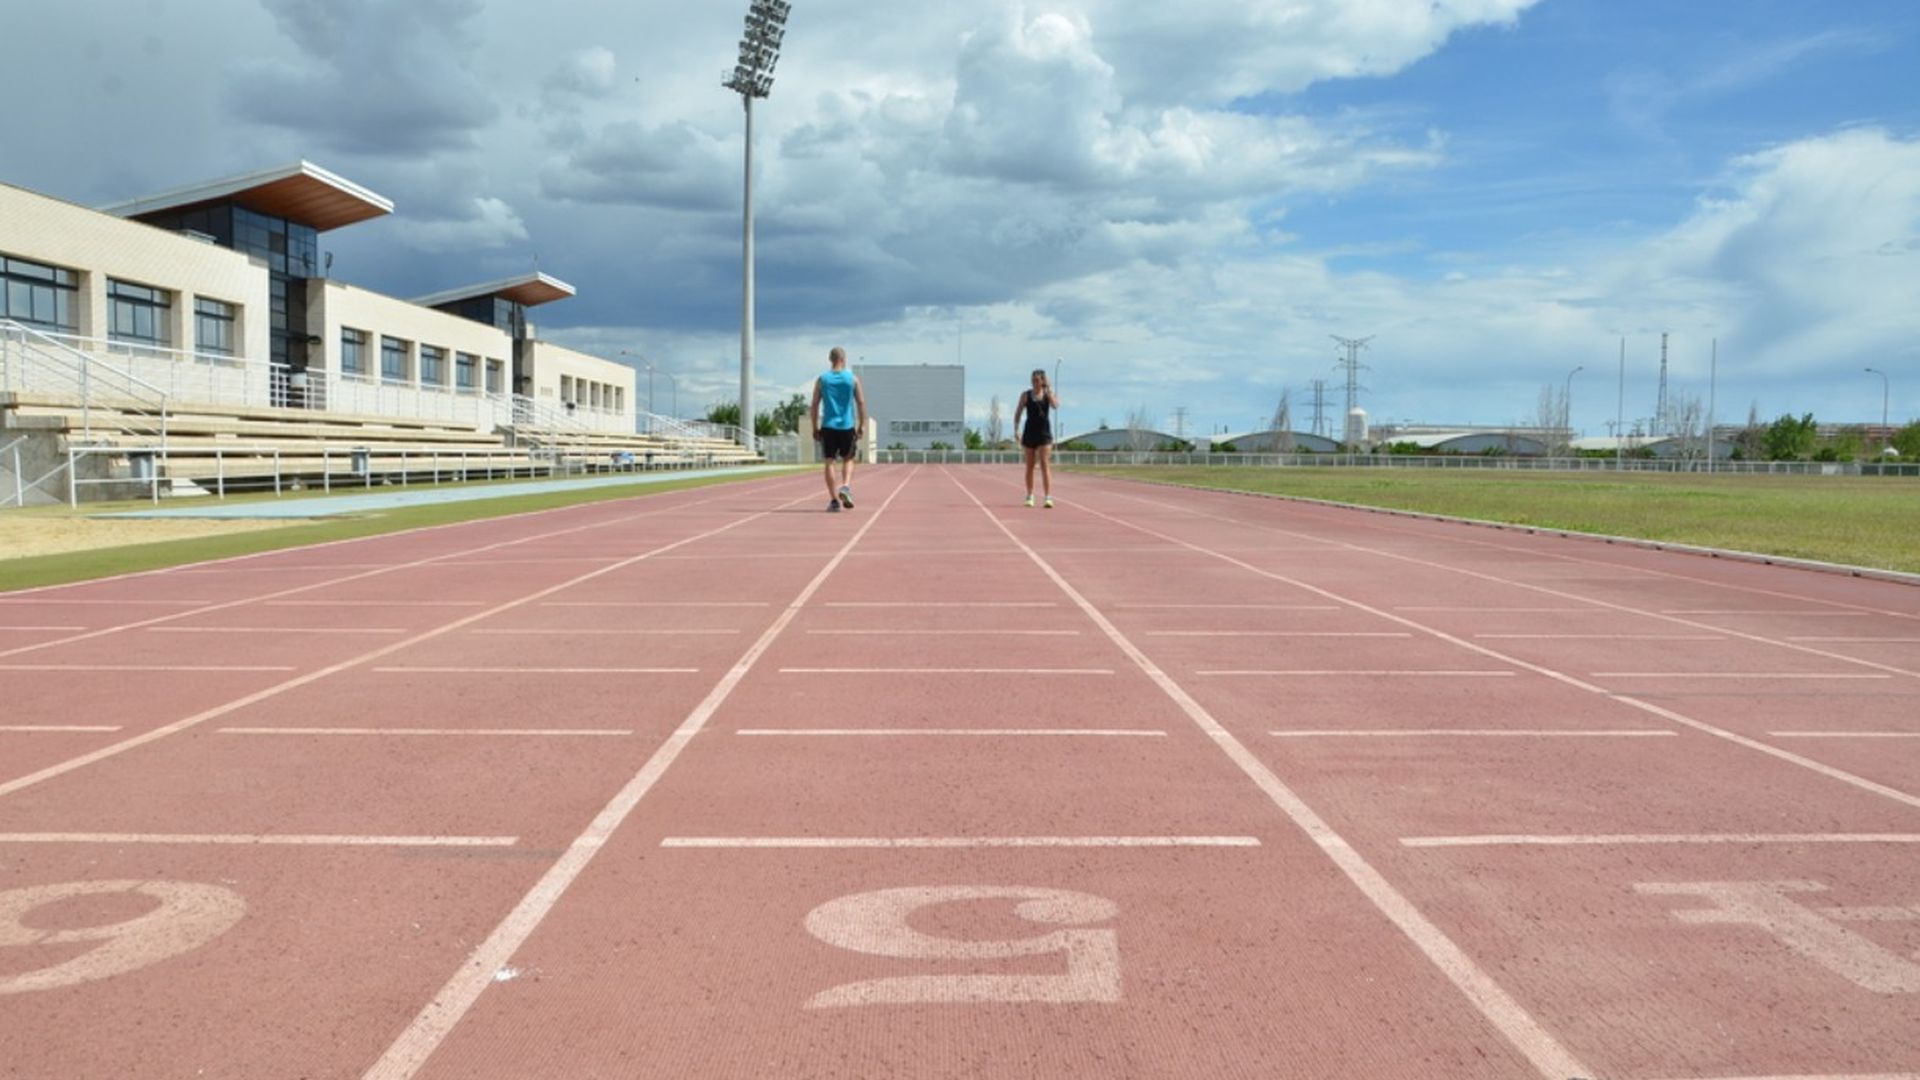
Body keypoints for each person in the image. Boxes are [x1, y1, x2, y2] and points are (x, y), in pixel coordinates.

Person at [809, 346, 867, 512]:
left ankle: (834, 500)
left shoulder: (822, 380)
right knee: (848, 459)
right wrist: (862, 424)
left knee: (829, 462)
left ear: (830, 360)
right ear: (844, 359)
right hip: (847, 425)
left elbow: (814, 405)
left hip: (828, 425)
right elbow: (861, 403)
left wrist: (814, 427)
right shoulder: (852, 379)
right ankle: (846, 486)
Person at [1013, 368, 1058, 507]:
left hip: (1044, 433)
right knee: (1030, 466)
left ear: (1043, 381)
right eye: (1032, 380)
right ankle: (1030, 495)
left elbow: (1055, 405)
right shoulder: (1026, 395)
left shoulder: (1047, 394)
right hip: (1029, 432)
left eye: (1037, 380)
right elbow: (1018, 413)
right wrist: (1016, 430)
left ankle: (1048, 497)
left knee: (1045, 464)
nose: (1034, 382)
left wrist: (1049, 389)